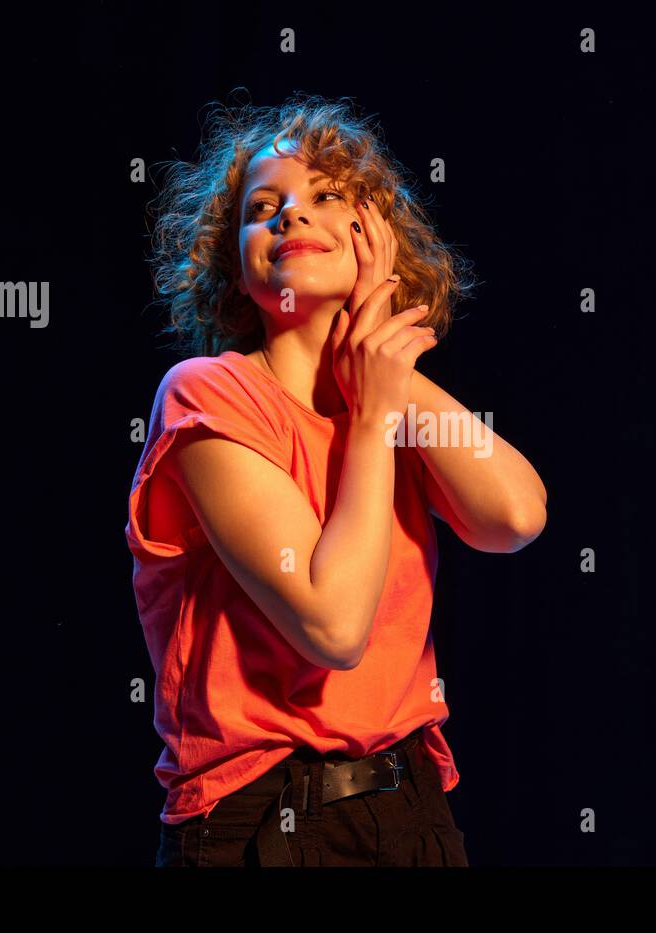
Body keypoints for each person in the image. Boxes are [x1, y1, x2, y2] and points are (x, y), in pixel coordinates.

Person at [126, 94, 547, 866]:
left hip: (411, 807)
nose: (291, 216)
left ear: (376, 238)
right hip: (261, 820)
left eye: (326, 197)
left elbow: (517, 514)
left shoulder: (388, 404)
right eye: (264, 207)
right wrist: (373, 418)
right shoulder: (206, 394)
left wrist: (383, 369)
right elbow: (333, 628)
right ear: (235, 258)